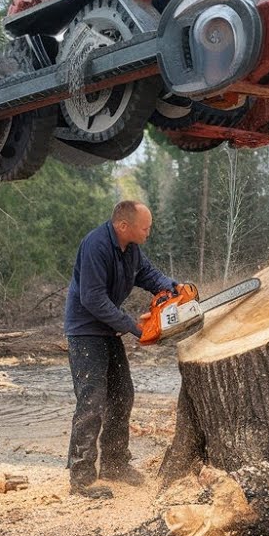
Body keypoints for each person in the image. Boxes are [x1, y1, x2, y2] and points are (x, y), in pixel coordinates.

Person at [64, 199, 180, 499]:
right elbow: (91, 298)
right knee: (92, 400)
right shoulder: (96, 245)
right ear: (123, 225)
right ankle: (81, 476)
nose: (148, 232)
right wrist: (132, 325)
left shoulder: (131, 249)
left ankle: (115, 463)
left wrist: (171, 288)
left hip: (108, 328)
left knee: (122, 394)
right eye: (145, 227)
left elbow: (147, 274)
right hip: (86, 331)